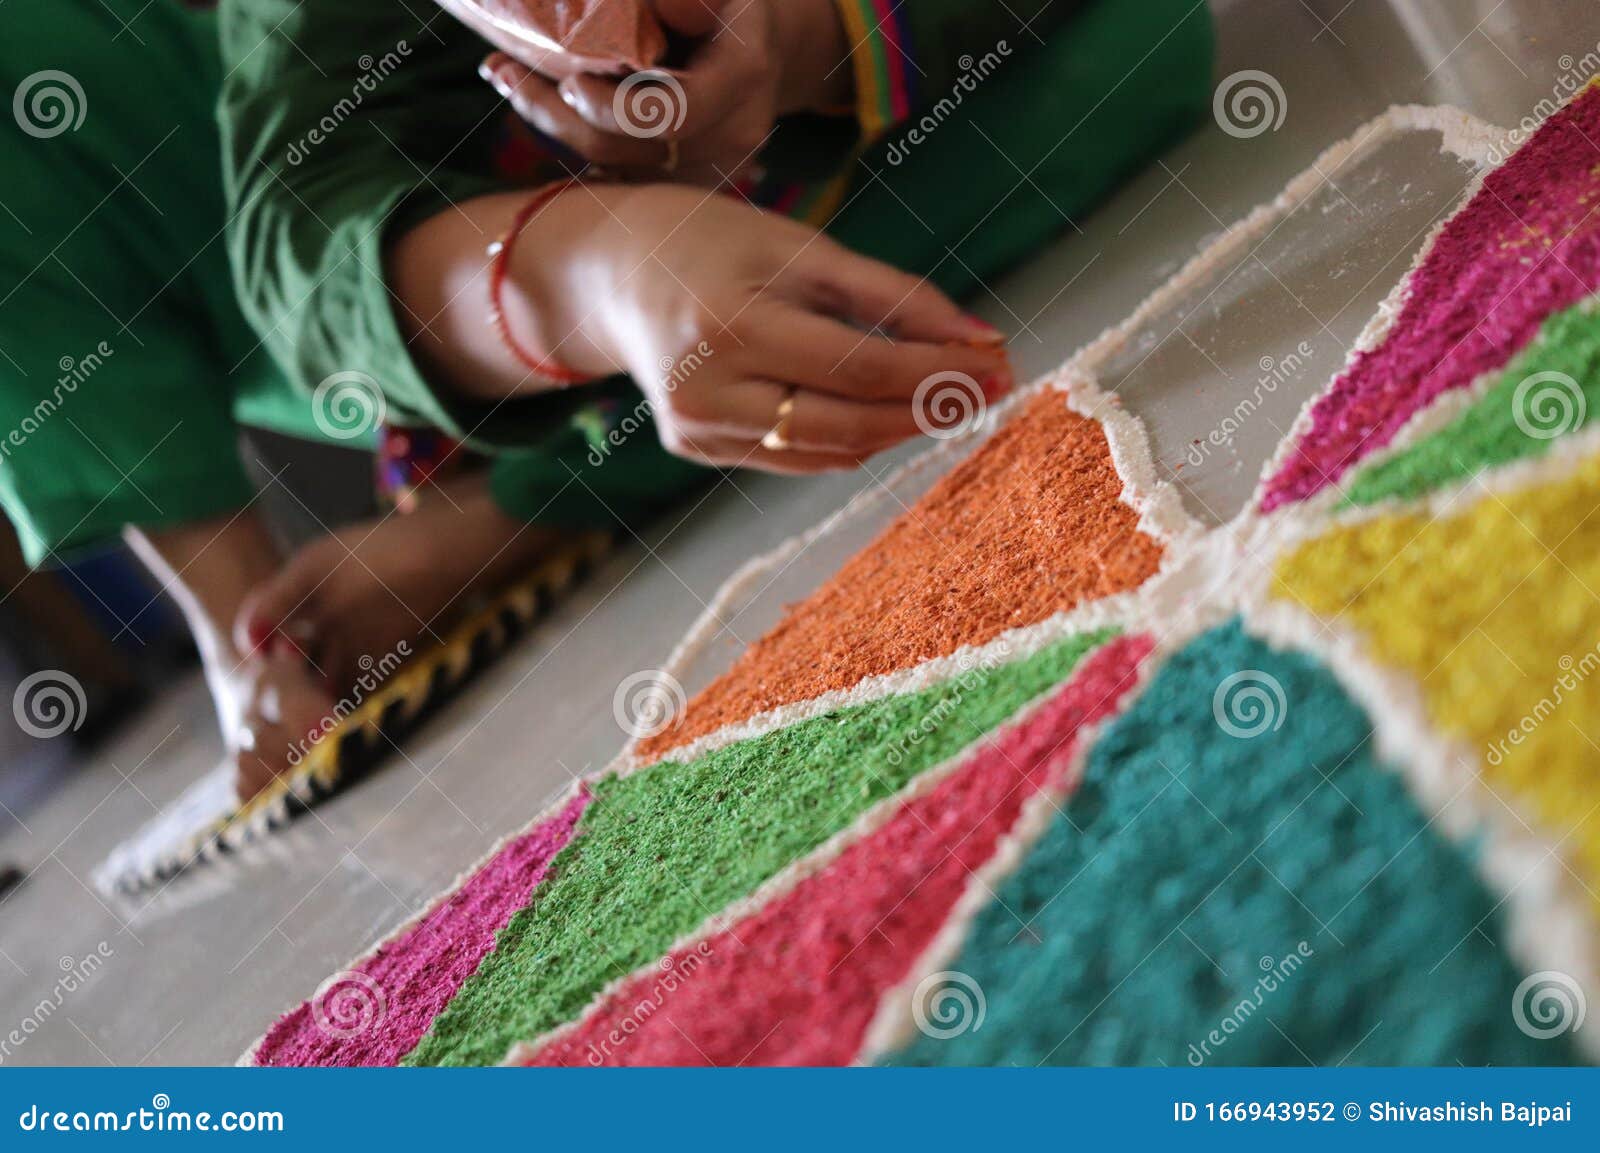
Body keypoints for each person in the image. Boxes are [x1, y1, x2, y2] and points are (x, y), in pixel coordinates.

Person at [1, 0, 1211, 803]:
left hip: (810, 153)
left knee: (1129, 53)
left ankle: (532, 496)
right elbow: (304, 225)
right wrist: (588, 269)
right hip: (442, 267)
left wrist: (791, 46)